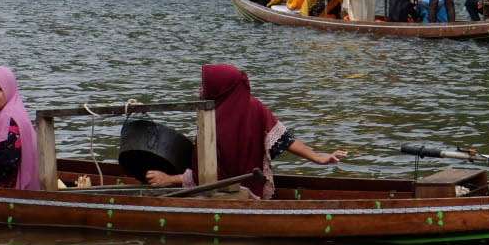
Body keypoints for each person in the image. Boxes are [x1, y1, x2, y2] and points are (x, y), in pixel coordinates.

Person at [144, 64, 345, 199]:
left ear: (219, 89)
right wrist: (318, 158)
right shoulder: (254, 107)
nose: (201, 89)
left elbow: (206, 177)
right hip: (256, 191)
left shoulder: (213, 119)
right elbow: (285, 140)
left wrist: (169, 179)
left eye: (204, 85)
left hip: (227, 194)